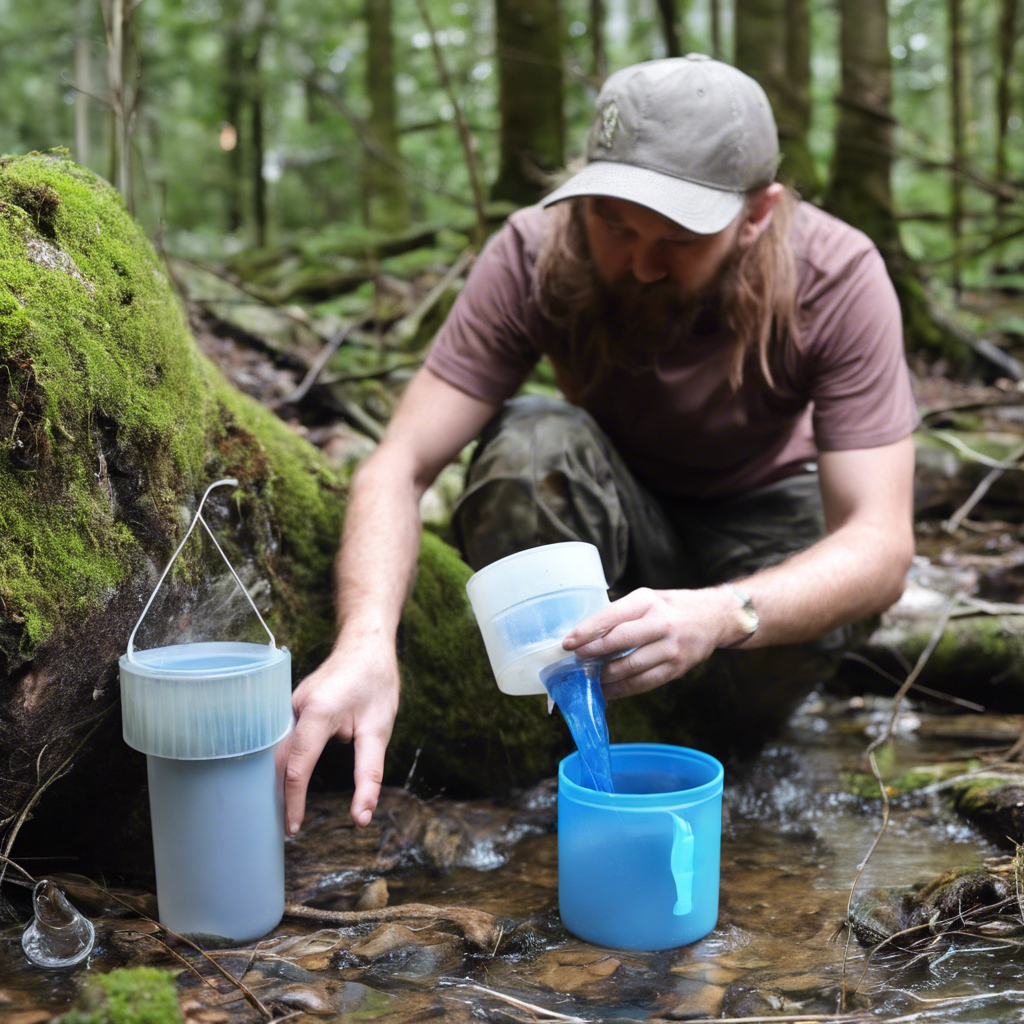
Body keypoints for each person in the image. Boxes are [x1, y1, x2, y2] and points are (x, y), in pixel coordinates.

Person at [284, 55, 918, 834]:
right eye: (614, 223)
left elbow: (881, 544)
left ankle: (709, 742)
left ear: (758, 214)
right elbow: (398, 465)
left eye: (680, 238)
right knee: (534, 447)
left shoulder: (836, 275)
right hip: (606, 527)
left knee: (814, 595)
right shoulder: (535, 251)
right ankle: (566, 741)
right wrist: (364, 644)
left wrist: (724, 613)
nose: (641, 265)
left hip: (760, 534)